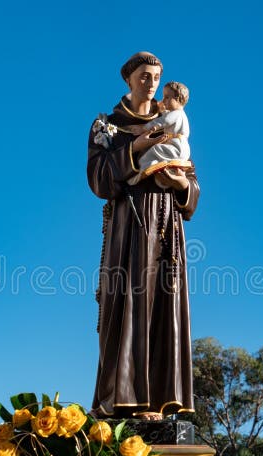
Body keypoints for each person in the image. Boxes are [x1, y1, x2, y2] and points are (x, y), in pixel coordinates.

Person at [88, 52, 200, 420]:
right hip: (129, 224)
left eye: (156, 77)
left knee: (164, 306)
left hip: (167, 225)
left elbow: (193, 186)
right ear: (128, 79)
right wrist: (134, 149)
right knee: (127, 304)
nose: (150, 83)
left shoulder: (173, 122)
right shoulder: (109, 124)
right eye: (143, 76)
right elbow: (98, 178)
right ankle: (124, 402)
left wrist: (182, 183)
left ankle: (161, 402)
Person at [126, 81, 192, 189]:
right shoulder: (181, 114)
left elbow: (163, 121)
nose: (163, 100)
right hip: (182, 148)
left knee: (154, 150)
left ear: (177, 99)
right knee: (160, 153)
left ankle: (143, 172)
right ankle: (165, 173)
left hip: (176, 146)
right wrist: (162, 109)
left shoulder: (176, 113)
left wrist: (145, 128)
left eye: (167, 97)